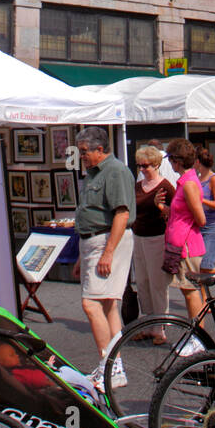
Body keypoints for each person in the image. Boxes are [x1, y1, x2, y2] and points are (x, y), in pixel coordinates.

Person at [72, 126, 136, 388]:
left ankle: (107, 365)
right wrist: (82, 255)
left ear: (100, 149)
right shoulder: (93, 173)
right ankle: (114, 367)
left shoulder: (116, 171)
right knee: (107, 304)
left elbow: (121, 213)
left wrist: (108, 252)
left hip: (108, 240)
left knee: (91, 304)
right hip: (94, 241)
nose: (82, 156)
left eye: (85, 151)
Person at [154, 138, 207, 323]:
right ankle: (196, 336)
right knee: (188, 292)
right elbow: (180, 214)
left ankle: (197, 337)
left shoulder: (189, 184)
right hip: (181, 243)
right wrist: (160, 206)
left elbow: (200, 219)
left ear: (176, 161)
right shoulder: (185, 182)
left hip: (187, 245)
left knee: (190, 291)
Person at [131, 145, 174, 328]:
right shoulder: (138, 186)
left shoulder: (165, 186)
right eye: (140, 165)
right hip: (138, 236)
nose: (143, 169)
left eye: (146, 165)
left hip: (156, 237)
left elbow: (175, 213)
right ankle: (148, 320)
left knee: (157, 282)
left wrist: (160, 207)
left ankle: (160, 325)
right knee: (142, 281)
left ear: (156, 164)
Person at [193, 145, 215, 272]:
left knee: (206, 265)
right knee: (198, 267)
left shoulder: (214, 179)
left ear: (198, 162)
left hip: (211, 227)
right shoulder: (197, 179)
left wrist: (202, 200)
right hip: (199, 226)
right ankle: (204, 292)